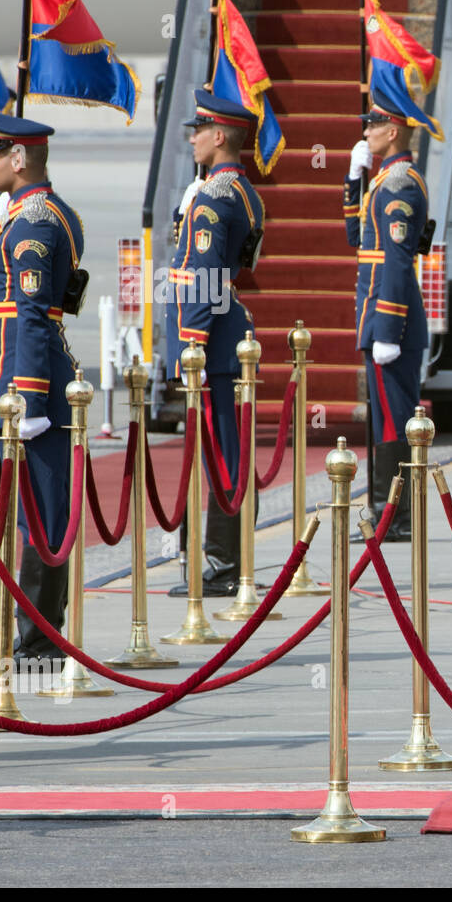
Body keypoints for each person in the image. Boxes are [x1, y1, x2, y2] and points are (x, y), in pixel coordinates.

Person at [0, 109, 82, 662]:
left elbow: (34, 314)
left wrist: (31, 398)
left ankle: (40, 644)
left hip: (29, 394)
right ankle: (13, 630)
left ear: (18, 159)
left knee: (41, 517)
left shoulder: (35, 223)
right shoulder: (23, 215)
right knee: (20, 516)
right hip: (14, 391)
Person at [166, 91, 265, 591]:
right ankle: (230, 559)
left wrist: (191, 346)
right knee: (228, 450)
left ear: (220, 136)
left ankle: (224, 567)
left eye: (199, 130)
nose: (192, 137)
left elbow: (203, 276)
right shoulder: (239, 191)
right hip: (229, 335)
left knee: (221, 455)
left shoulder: (213, 198)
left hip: (213, 342)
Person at [344, 91, 429, 540]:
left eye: (373, 125)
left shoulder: (400, 185)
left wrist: (388, 327)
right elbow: (356, 236)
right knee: (384, 420)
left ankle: (396, 517)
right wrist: (354, 178)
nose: (366, 131)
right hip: (376, 317)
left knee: (395, 422)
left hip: (388, 319)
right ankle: (386, 512)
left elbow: (396, 262)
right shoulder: (384, 180)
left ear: (392, 131)